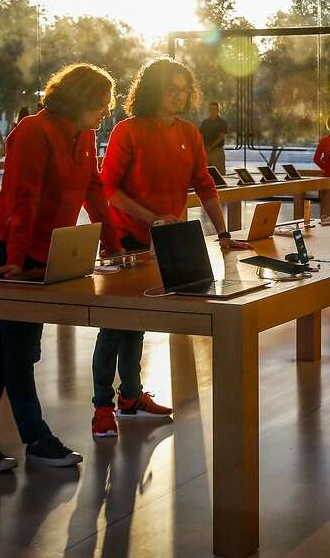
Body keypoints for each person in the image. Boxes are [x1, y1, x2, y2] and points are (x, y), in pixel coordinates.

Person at [0, 63, 124, 471]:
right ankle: (36, 439)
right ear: (81, 99)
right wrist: (15, 262)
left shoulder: (85, 135)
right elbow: (25, 199)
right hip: (9, 253)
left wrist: (114, 249)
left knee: (16, 353)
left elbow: (94, 190)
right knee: (17, 353)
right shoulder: (33, 132)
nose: (106, 111)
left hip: (42, 255)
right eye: (102, 103)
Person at [96, 58, 250, 440]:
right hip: (127, 239)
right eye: (171, 88)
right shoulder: (127, 131)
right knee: (115, 325)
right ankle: (102, 406)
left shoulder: (190, 133)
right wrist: (150, 219)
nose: (179, 95)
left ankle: (129, 397)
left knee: (141, 322)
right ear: (152, 90)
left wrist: (224, 232)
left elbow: (204, 184)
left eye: (184, 88)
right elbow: (109, 189)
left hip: (167, 241)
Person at [200, 101, 228, 172]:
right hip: (206, 150)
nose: (212, 111)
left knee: (219, 173)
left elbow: (221, 136)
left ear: (218, 110)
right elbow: (201, 135)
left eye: (214, 109)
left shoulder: (222, 122)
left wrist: (212, 146)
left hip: (217, 150)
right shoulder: (205, 122)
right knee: (205, 173)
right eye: (211, 109)